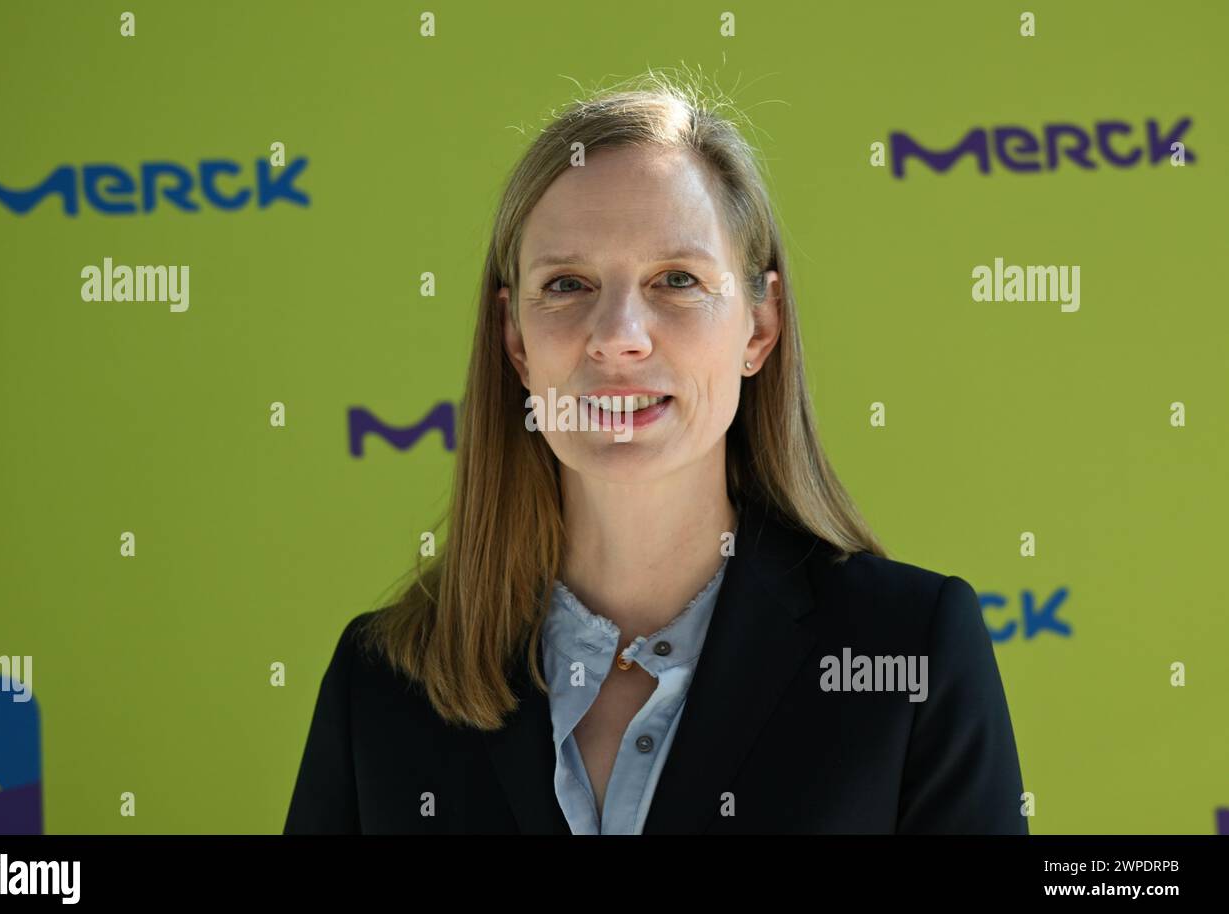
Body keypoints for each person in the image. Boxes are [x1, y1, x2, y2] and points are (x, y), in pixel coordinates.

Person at [284, 71, 1028, 834]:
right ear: (515, 340)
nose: (617, 335)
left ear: (759, 327)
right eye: (567, 284)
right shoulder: (383, 681)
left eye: (677, 279)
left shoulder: (909, 652)